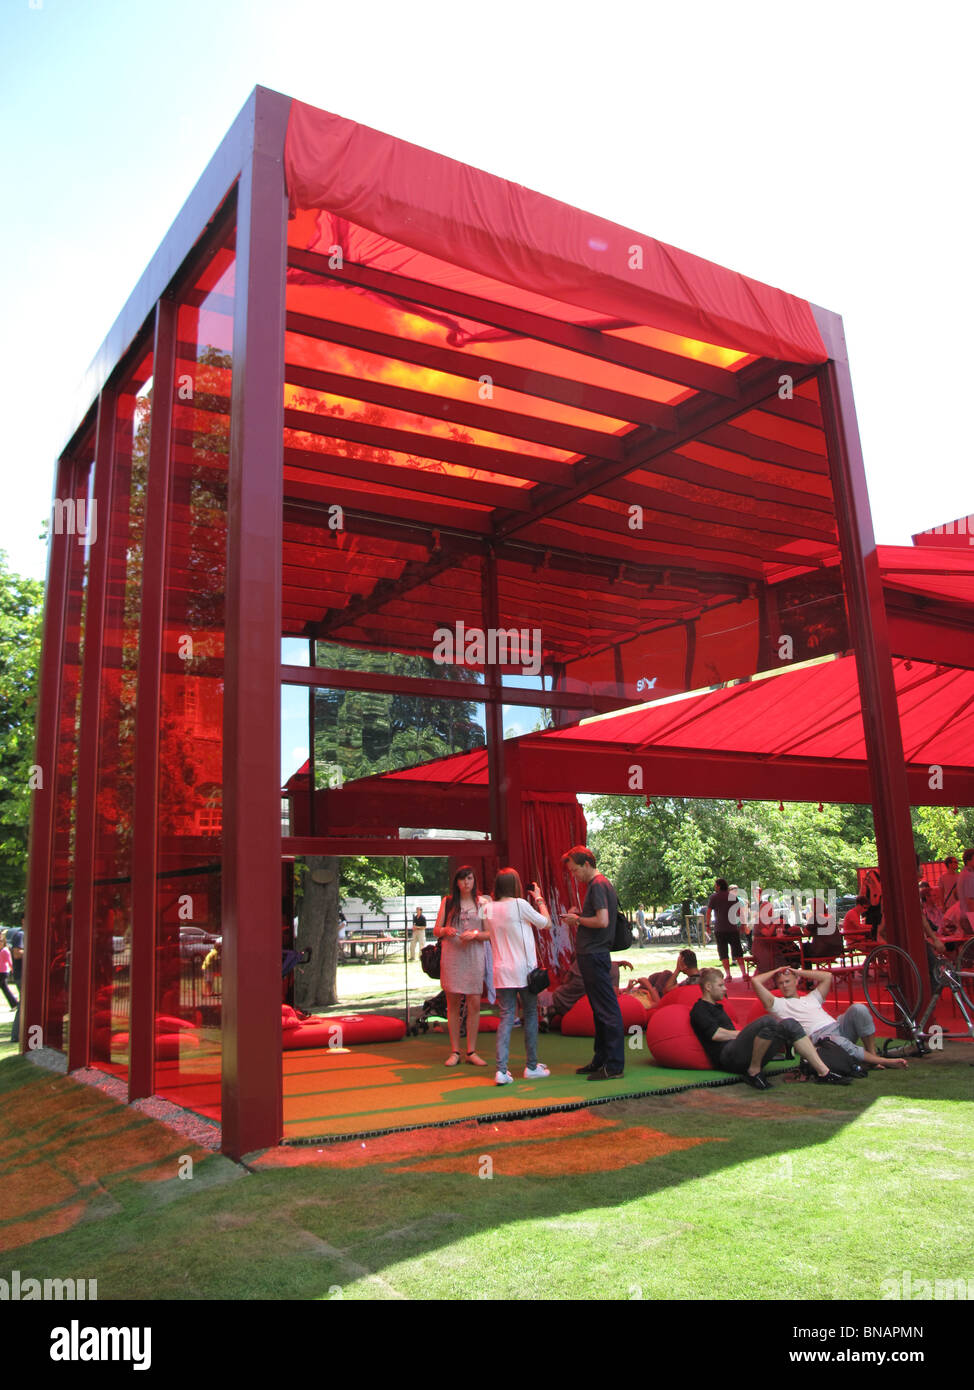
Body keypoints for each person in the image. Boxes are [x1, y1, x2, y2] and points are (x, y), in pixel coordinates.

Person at [690, 968, 851, 1089]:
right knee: (767, 1021)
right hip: (728, 1059)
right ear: (708, 987)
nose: (725, 989)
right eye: (721, 985)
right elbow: (716, 1034)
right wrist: (744, 1034)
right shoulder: (699, 1009)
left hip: (741, 1052)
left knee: (789, 1023)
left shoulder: (718, 1007)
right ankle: (753, 1072)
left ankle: (824, 1073)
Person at [752, 965, 908, 1070]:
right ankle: (884, 1062)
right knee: (834, 1040)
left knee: (859, 1008)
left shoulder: (811, 997)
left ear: (796, 981)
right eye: (780, 983)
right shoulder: (778, 1005)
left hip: (838, 1026)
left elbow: (827, 976)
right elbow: (755, 981)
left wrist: (797, 971)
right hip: (820, 1039)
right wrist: (776, 971)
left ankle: (872, 1055)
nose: (784, 985)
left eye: (787, 981)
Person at [561, 845, 626, 1081]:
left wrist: (577, 919)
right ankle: (602, 1060)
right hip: (595, 953)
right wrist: (580, 915)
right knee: (600, 1010)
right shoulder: (600, 885)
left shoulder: (597, 885)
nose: (574, 875)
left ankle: (614, 1064)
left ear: (587, 864)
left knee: (606, 1010)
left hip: (594, 953)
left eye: (576, 870)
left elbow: (601, 920)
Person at [483, 869, 552, 1084]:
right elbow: (546, 923)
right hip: (524, 970)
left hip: (501, 970)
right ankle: (531, 1066)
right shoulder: (521, 904)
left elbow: (488, 933)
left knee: (506, 1017)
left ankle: (501, 1071)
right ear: (515, 885)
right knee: (531, 1014)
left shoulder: (488, 909)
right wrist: (539, 898)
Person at [433, 866, 490, 1068]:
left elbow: (489, 933)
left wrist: (474, 935)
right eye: (463, 879)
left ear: (474, 881)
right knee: (453, 1003)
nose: (467, 882)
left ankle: (471, 1050)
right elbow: (436, 930)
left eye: (470, 878)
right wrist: (446, 930)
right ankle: (455, 1050)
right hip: (452, 956)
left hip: (474, 956)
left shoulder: (482, 903)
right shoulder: (448, 902)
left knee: (475, 1002)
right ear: (456, 882)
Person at [704, 878, 747, 981]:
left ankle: (728, 975)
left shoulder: (714, 897)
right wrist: (743, 924)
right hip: (732, 928)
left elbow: (709, 912)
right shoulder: (732, 897)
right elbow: (739, 912)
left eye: (715, 885)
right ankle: (744, 973)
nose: (715, 887)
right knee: (738, 951)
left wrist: (708, 926)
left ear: (719, 886)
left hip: (720, 929)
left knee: (723, 952)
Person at [863, 869, 883, 941]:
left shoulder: (879, 889)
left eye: (871, 878)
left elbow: (874, 903)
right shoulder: (867, 890)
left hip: (877, 918)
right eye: (868, 877)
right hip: (869, 917)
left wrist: (873, 884)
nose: (869, 879)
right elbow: (860, 900)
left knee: (876, 938)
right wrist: (864, 885)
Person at [0, 931, 17, 1010]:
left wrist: (13, 970)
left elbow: (10, 962)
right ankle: (14, 1003)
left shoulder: (5, 951)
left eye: (1, 941)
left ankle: (14, 1003)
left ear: (4, 942)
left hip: (3, 972)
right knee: (4, 988)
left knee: (5, 988)